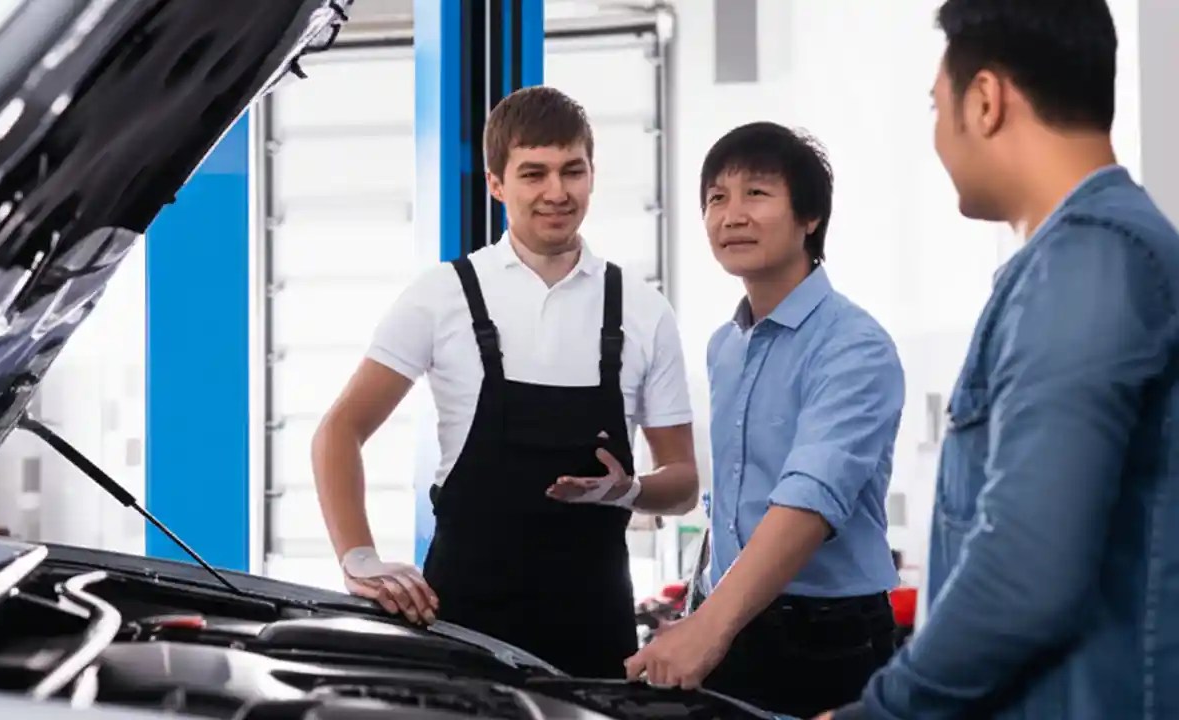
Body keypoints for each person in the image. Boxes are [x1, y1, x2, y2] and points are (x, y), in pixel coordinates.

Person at [822, 1, 1179, 718]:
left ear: (985, 100)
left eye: (935, 105)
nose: (935, 133)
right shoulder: (1090, 259)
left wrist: (878, 714)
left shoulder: (1088, 265)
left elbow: (1024, 574)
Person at [310, 85, 699, 679]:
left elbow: (683, 483)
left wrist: (626, 491)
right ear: (497, 184)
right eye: (533, 173)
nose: (556, 192)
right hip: (462, 621)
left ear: (592, 174)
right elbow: (339, 431)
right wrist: (358, 558)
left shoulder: (642, 311)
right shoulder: (443, 296)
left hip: (594, 628)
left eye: (573, 170)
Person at [625, 121, 906, 718]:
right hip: (734, 620)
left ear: (810, 218)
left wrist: (709, 626)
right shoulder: (725, 347)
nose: (732, 215)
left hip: (828, 640)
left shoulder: (854, 346)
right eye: (716, 199)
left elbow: (808, 503)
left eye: (757, 193)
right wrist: (698, 610)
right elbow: (732, 502)